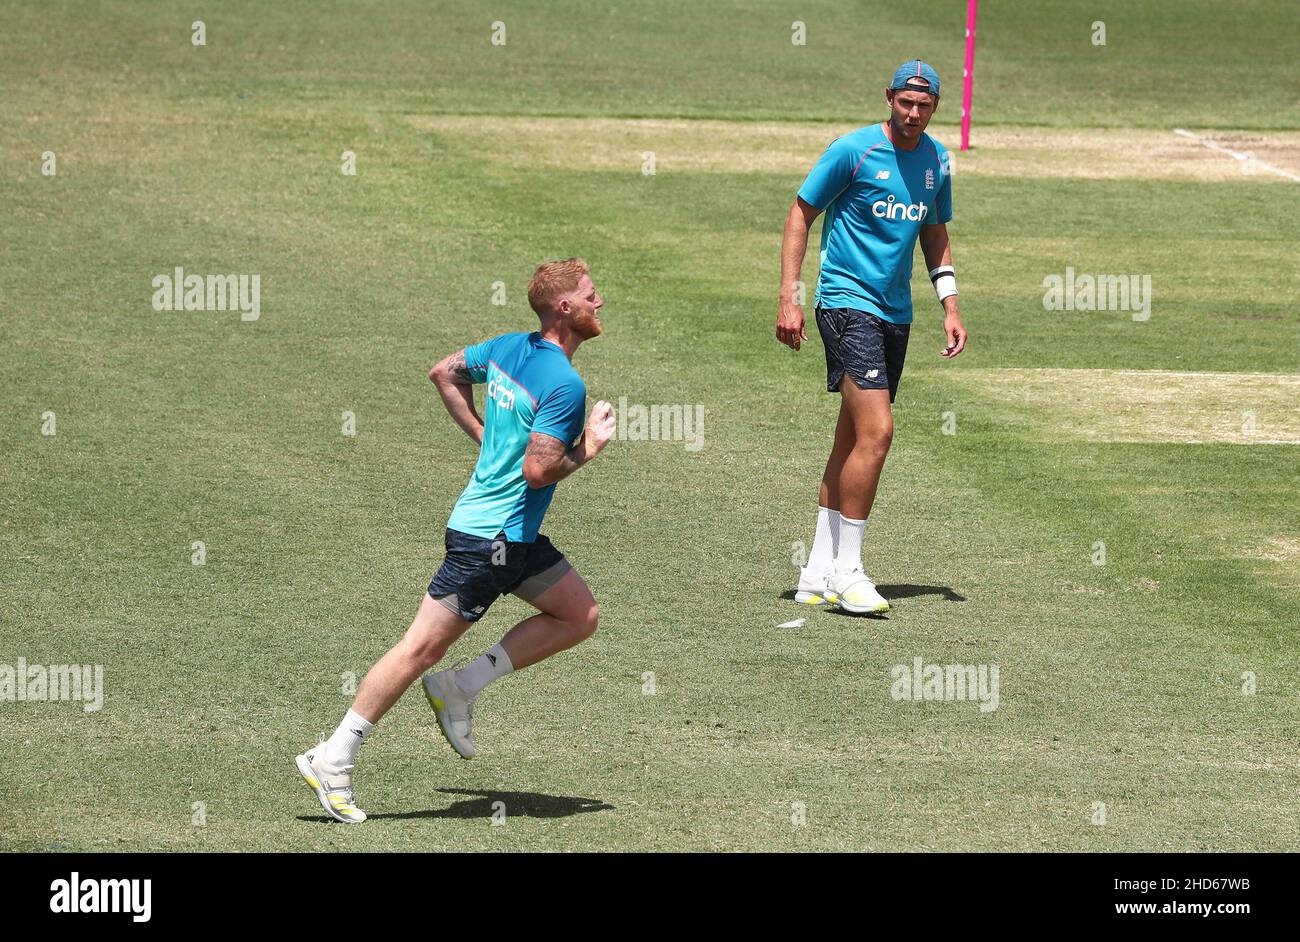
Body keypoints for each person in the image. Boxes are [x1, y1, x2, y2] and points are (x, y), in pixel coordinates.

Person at [296, 258, 616, 822]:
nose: (600, 303)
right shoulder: (565, 384)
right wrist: (588, 446)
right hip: (489, 539)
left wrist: (488, 440)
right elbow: (539, 472)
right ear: (565, 309)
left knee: (578, 615)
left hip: (512, 534)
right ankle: (334, 757)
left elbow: (443, 372)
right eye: (591, 296)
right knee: (419, 647)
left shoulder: (507, 348)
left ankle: (460, 688)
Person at [776, 60, 969, 614]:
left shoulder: (937, 161)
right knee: (878, 433)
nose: (913, 113)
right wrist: (790, 295)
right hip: (845, 303)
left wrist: (949, 305)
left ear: (935, 108)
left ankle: (815, 571)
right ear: (889, 98)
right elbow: (800, 212)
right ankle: (849, 571)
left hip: (895, 313)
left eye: (924, 105)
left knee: (852, 438)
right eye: (905, 103)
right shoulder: (853, 150)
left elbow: (934, 231)